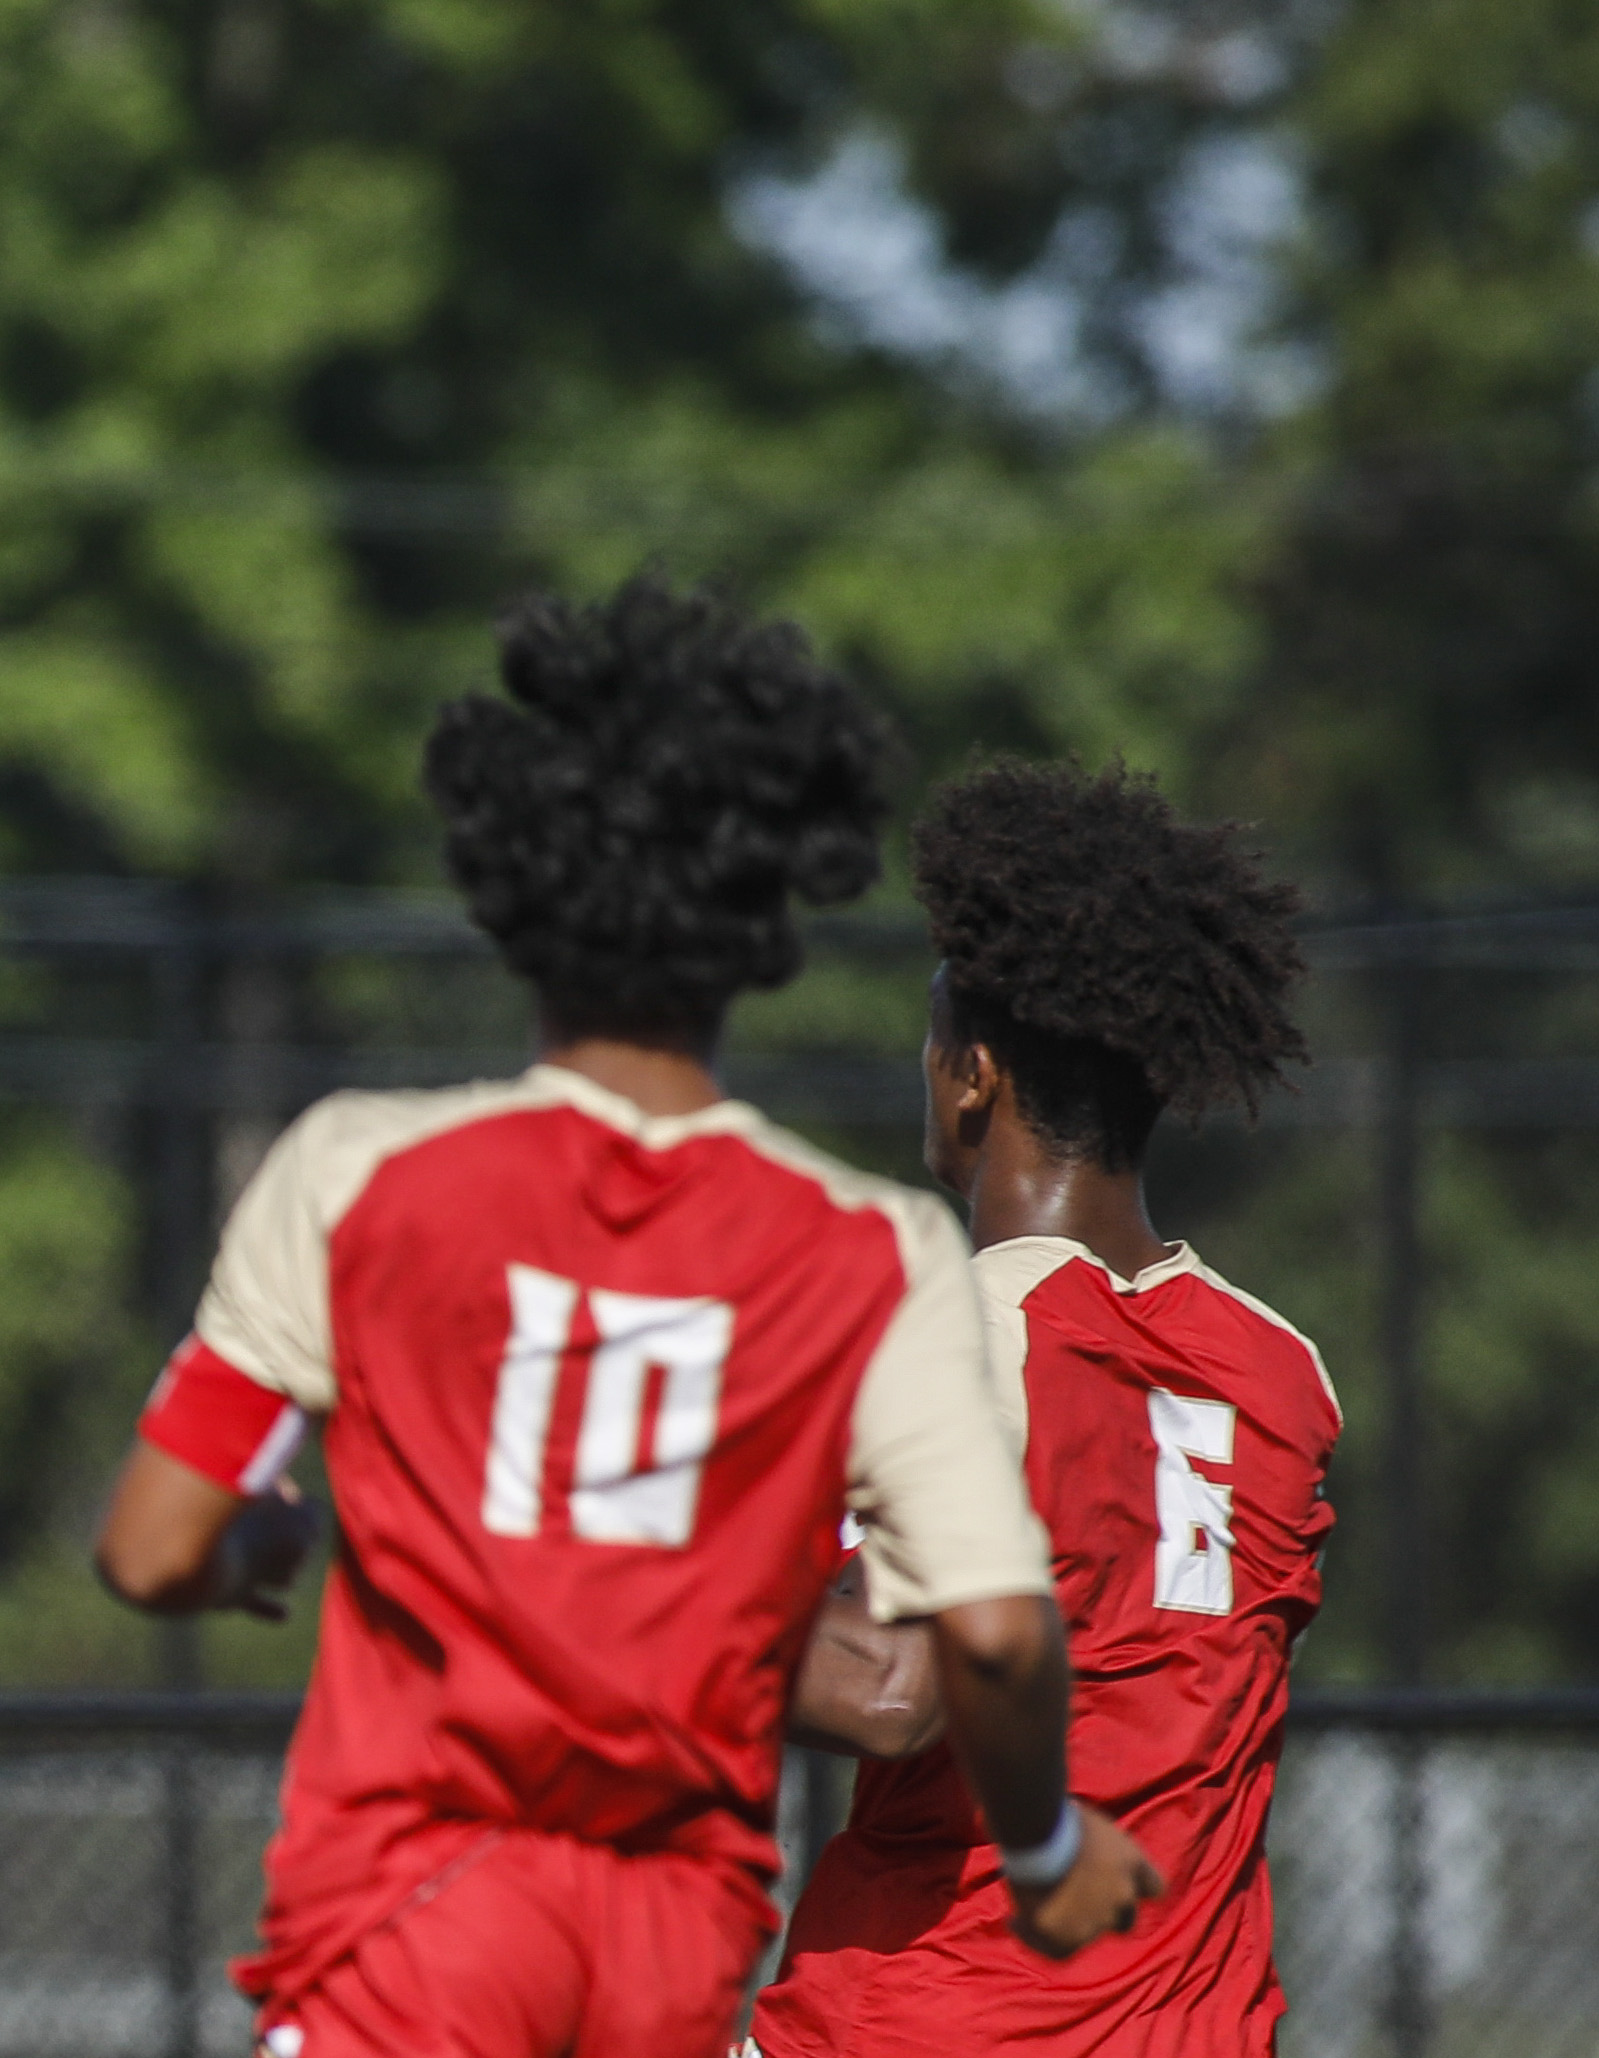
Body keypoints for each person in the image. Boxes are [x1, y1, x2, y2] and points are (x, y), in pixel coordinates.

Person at [90, 574, 1163, 2058]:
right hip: (670, 1955)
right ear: (762, 920)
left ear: (510, 894)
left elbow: (149, 1545)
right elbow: (991, 1628)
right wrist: (1042, 1853)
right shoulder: (870, 1249)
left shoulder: (360, 1168)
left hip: (414, 1922)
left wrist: (262, 1539)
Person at [749, 759, 1334, 2058]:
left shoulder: (961, 1338)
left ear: (972, 1073)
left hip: (930, 2018)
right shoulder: (1284, 1372)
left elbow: (897, 1687)